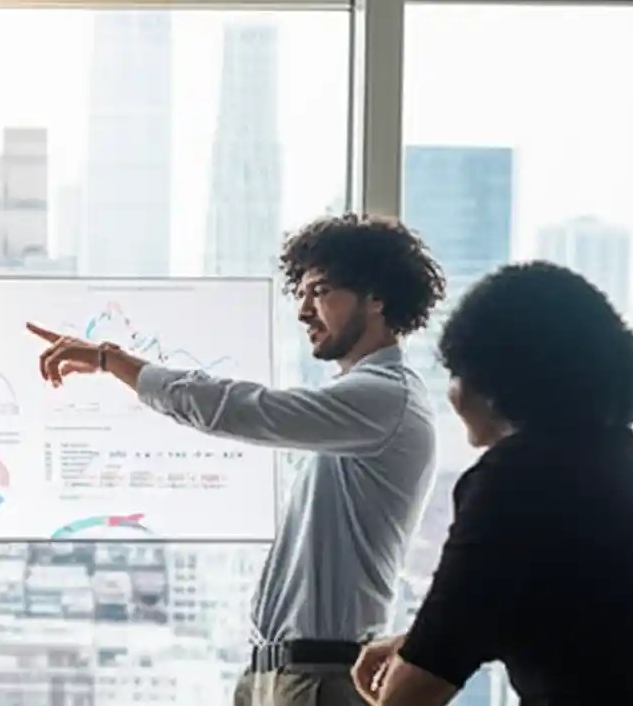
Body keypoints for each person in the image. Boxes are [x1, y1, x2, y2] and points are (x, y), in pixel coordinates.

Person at [29, 213, 446, 706]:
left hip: (321, 678)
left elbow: (244, 408)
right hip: (283, 672)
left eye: (321, 291)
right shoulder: (359, 403)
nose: (303, 311)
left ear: (377, 298)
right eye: (302, 293)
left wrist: (111, 360)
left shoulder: (384, 399)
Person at [350, 262, 633, 705]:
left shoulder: (511, 480)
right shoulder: (623, 458)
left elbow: (412, 694)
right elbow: (571, 616)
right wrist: (418, 642)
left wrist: (415, 661)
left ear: (491, 380)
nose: (452, 393)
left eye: (456, 371)